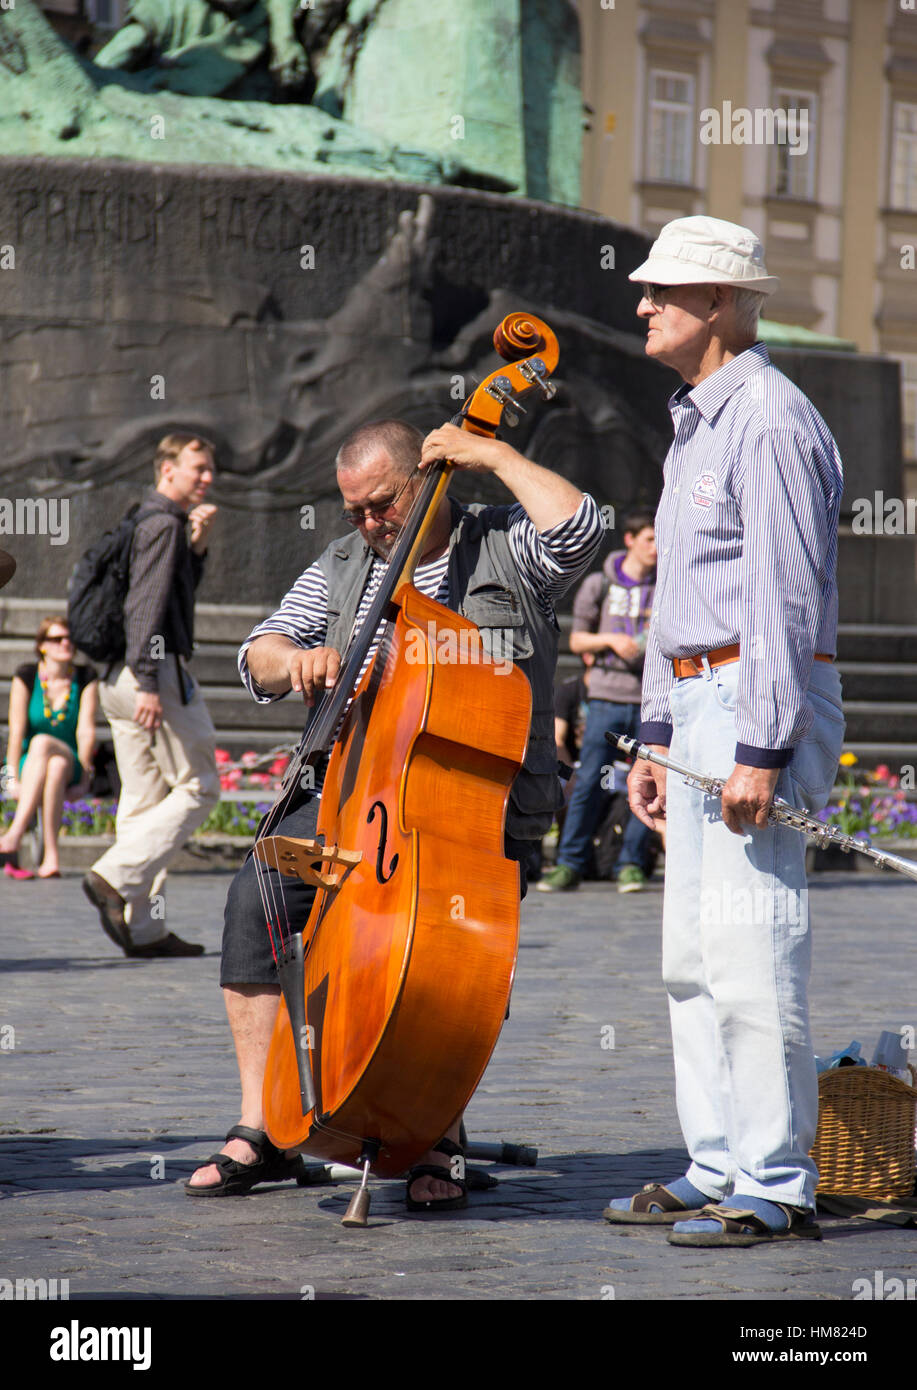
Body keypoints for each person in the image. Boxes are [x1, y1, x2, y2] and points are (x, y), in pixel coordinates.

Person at [185, 416, 602, 1204]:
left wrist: (495, 453)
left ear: (427, 477)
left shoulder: (506, 546)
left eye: (382, 503)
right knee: (259, 893)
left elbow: (580, 532)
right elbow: (256, 654)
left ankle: (434, 1132)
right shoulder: (345, 564)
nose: (370, 524)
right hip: (355, 805)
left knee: (451, 960)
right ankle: (264, 1127)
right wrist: (296, 660)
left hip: (476, 809)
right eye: (354, 511)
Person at [603, 216, 844, 1246]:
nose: (642, 303)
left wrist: (758, 747)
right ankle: (715, 1163)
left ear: (716, 304)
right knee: (691, 956)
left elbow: (782, 599)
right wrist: (655, 732)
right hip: (696, 698)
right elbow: (674, 598)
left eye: (662, 290)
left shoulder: (770, 419)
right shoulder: (695, 421)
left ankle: (777, 1182)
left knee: (752, 953)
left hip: (753, 697)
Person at [82, 433, 220, 958]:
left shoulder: (146, 518)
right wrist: (147, 680)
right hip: (151, 673)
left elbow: (169, 595)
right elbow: (146, 605)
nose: (208, 477)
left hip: (116, 677)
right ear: (167, 469)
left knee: (142, 804)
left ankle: (143, 930)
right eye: (198, 468)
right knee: (201, 786)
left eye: (211, 469)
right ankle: (112, 878)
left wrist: (197, 549)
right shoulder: (164, 523)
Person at [539, 511, 657, 894]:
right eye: (648, 540)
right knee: (590, 779)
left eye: (659, 541)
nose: (655, 549)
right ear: (629, 539)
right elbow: (576, 641)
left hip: (651, 700)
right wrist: (609, 641)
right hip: (605, 697)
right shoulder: (599, 583)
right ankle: (569, 863)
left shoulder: (670, 585)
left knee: (652, 782)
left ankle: (631, 864)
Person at [1, 617, 98, 880]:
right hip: (31, 763)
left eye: (69, 638)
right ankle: (51, 857)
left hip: (73, 760)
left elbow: (86, 730)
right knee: (52, 764)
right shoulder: (26, 676)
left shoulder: (86, 678)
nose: (65, 643)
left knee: (43, 743)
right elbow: (16, 729)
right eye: (57, 639)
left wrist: (86, 779)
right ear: (42, 645)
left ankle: (14, 833)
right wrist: (9, 779)